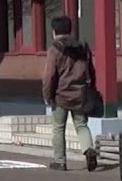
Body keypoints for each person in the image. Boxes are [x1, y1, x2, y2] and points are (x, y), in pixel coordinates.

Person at [41, 15, 98, 172]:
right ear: (70, 30)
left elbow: (49, 76)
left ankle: (60, 161)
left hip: (60, 95)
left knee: (58, 128)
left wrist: (47, 95)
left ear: (54, 32)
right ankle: (88, 149)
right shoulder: (82, 47)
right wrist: (91, 87)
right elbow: (91, 71)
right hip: (80, 93)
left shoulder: (54, 49)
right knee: (81, 125)